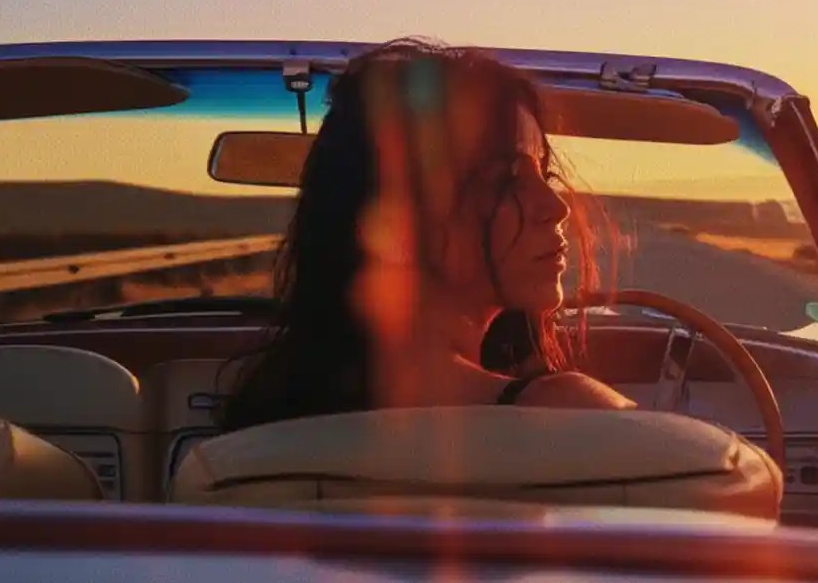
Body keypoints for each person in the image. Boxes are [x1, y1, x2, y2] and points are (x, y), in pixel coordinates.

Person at [220, 38, 634, 432]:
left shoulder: (254, 432)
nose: (556, 207)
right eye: (504, 177)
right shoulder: (569, 413)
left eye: (543, 174)